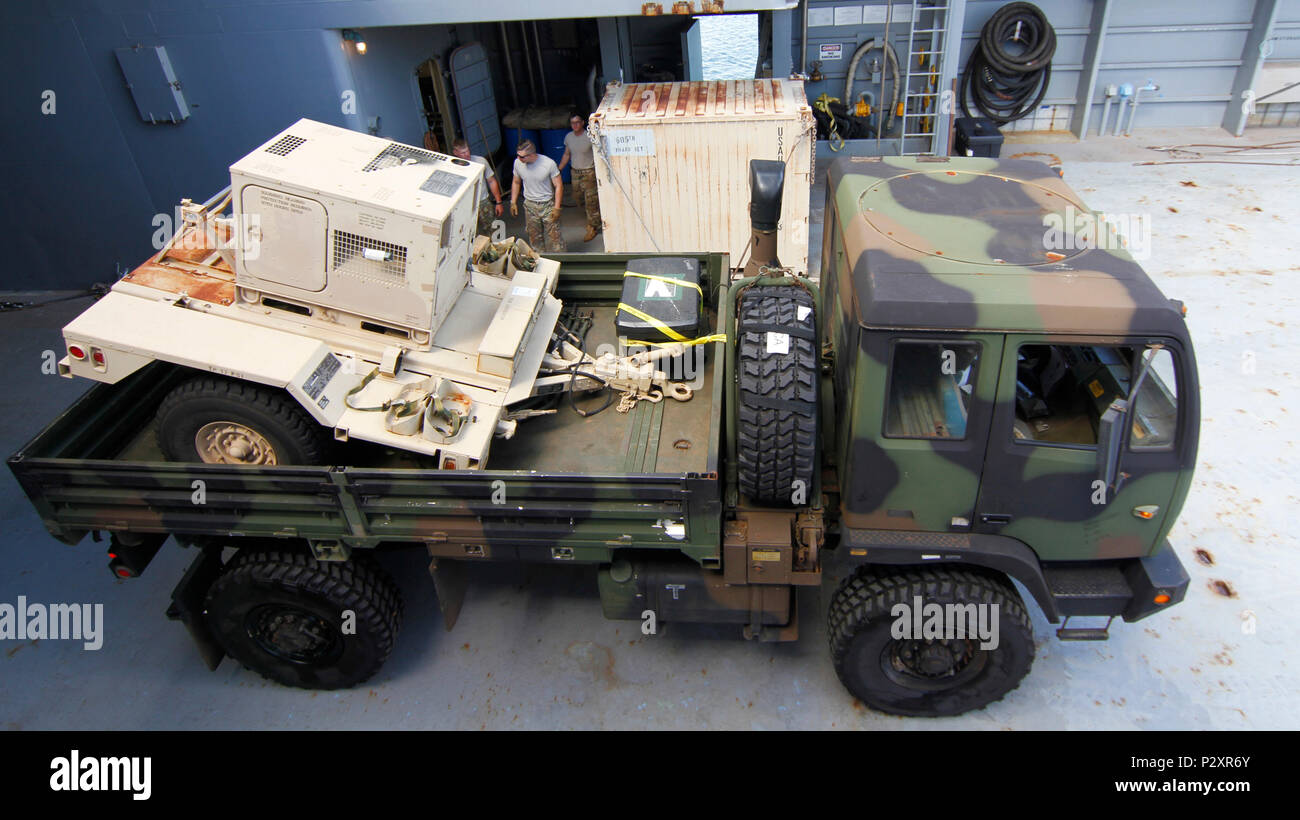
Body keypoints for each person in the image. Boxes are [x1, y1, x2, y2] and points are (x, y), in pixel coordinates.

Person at [510, 139, 566, 252]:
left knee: (556, 240)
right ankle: (541, 264)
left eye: (522, 156)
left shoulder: (548, 164)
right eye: (518, 155)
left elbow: (558, 185)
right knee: (535, 241)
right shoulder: (517, 163)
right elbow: (516, 182)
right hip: (530, 206)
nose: (519, 158)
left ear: (531, 155)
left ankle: (563, 263)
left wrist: (556, 207)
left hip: (547, 206)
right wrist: (513, 202)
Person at [557, 113, 601, 243]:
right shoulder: (569, 137)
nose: (575, 125)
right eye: (572, 123)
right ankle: (591, 216)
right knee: (578, 198)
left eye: (577, 122)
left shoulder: (589, 136)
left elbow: (598, 152)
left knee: (591, 200)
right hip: (575, 172)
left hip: (589, 172)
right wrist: (559, 169)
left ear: (582, 123)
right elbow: (567, 154)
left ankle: (593, 226)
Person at [451, 138, 503, 238]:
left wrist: (498, 202)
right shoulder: (452, 167)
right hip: (466, 205)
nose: (466, 154)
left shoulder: (481, 162)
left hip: (483, 202)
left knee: (493, 231)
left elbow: (491, 181)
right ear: (455, 152)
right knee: (470, 234)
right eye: (462, 153)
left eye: (467, 151)